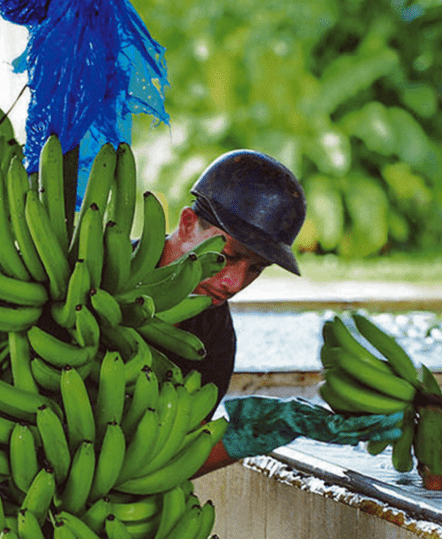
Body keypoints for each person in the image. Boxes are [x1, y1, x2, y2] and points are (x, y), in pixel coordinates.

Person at [153, 149, 401, 477]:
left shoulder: (214, 338)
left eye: (256, 268)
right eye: (226, 256)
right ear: (187, 225)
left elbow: (175, 460)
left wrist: (257, 433)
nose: (234, 283)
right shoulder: (98, 280)